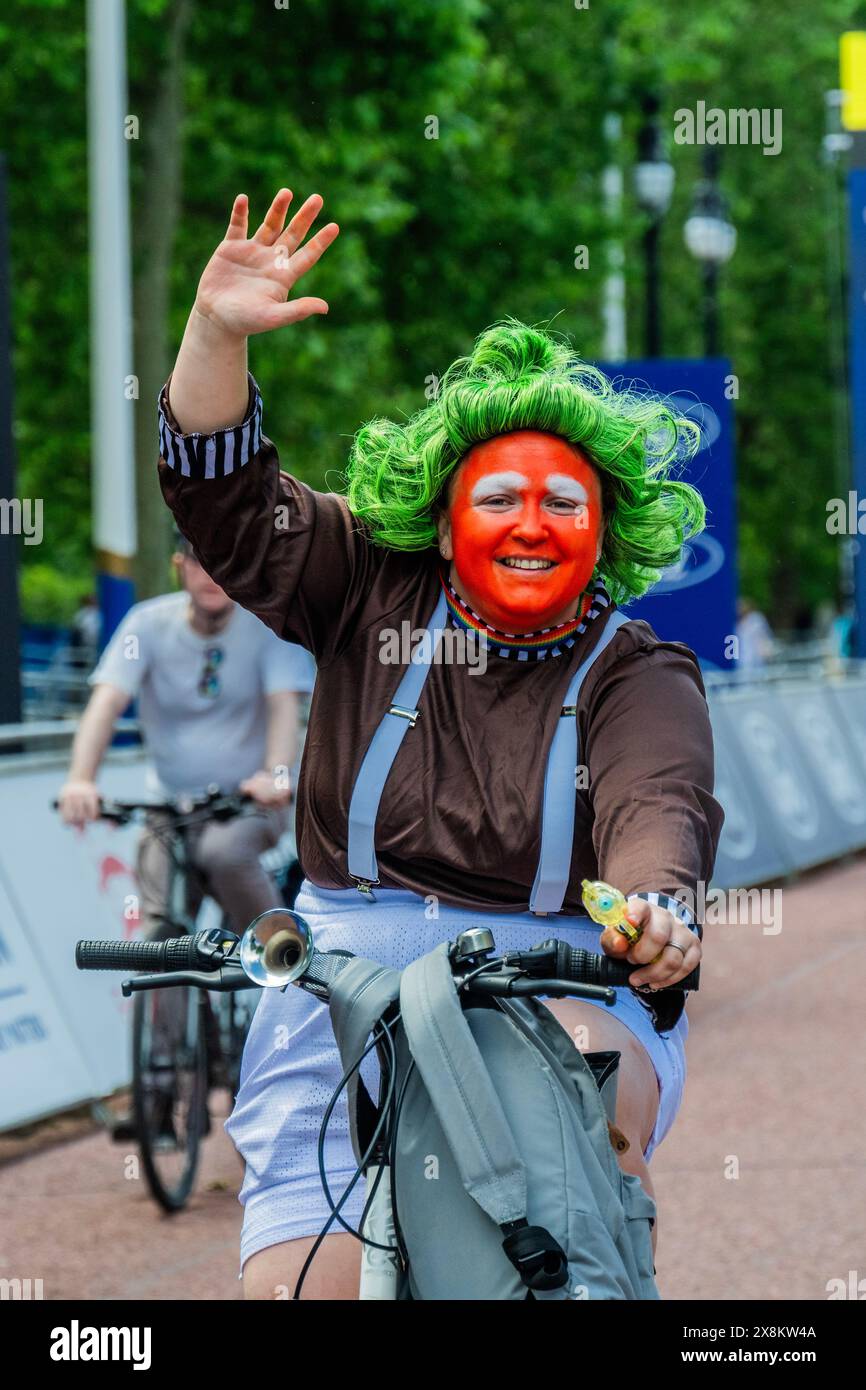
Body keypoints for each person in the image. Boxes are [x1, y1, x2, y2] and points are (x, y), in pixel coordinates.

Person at [157, 187, 724, 1300]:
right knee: (292, 1284)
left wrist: (656, 916)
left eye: (563, 503)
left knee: (578, 1136)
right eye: (499, 495)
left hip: (554, 963)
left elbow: (657, 807)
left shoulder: (637, 669)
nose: (528, 523)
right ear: (446, 510)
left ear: (602, 525)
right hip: (340, 962)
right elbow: (226, 498)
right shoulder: (365, 577)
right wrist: (214, 334)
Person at [58, 532, 316, 1126]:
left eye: (223, 558)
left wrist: (276, 774)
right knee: (158, 936)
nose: (211, 573)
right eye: (200, 560)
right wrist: (80, 779)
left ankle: (281, 964)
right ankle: (162, 1082)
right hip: (169, 810)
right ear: (179, 566)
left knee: (226, 853)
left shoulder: (267, 625)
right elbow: (104, 706)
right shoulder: (145, 627)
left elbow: (286, 710)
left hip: (249, 807)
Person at [735, 596, 775, 670]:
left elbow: (764, 635)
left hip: (756, 656)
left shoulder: (756, 619)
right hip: (742, 658)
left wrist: (766, 650)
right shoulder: (737, 622)